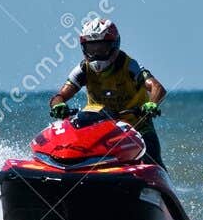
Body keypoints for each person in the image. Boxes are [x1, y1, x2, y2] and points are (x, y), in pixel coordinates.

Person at [48, 18, 168, 166]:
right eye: (92, 49)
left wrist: (152, 104)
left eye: (102, 48)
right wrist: (58, 106)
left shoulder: (130, 65)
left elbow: (157, 87)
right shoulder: (82, 69)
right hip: (100, 129)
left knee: (153, 159)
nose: (97, 54)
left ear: (114, 46)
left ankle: (156, 185)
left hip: (137, 128)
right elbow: (59, 96)